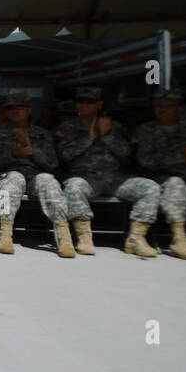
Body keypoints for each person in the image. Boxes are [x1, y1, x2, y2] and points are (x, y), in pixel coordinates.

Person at [54, 86, 160, 256]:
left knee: (150, 187)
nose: (84, 105)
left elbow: (127, 155)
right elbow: (64, 155)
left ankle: (137, 238)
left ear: (99, 104)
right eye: (80, 101)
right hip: (85, 178)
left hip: (115, 178)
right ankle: (84, 236)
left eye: (90, 102)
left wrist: (108, 135)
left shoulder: (115, 127)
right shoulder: (68, 128)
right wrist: (90, 137)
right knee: (73, 186)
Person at [0, 92, 72, 256]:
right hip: (10, 172)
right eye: (10, 108)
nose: (15, 111)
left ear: (29, 110)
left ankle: (64, 236)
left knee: (49, 182)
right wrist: (13, 154)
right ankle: (4, 233)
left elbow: (52, 163)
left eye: (20, 107)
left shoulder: (42, 133)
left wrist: (32, 150)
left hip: (36, 174)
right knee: (9, 182)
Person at [132, 88, 186, 259]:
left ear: (178, 108)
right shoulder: (146, 130)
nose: (163, 110)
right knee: (175, 183)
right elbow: (145, 162)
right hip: (158, 178)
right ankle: (179, 240)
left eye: (168, 106)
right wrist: (182, 156)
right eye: (159, 106)